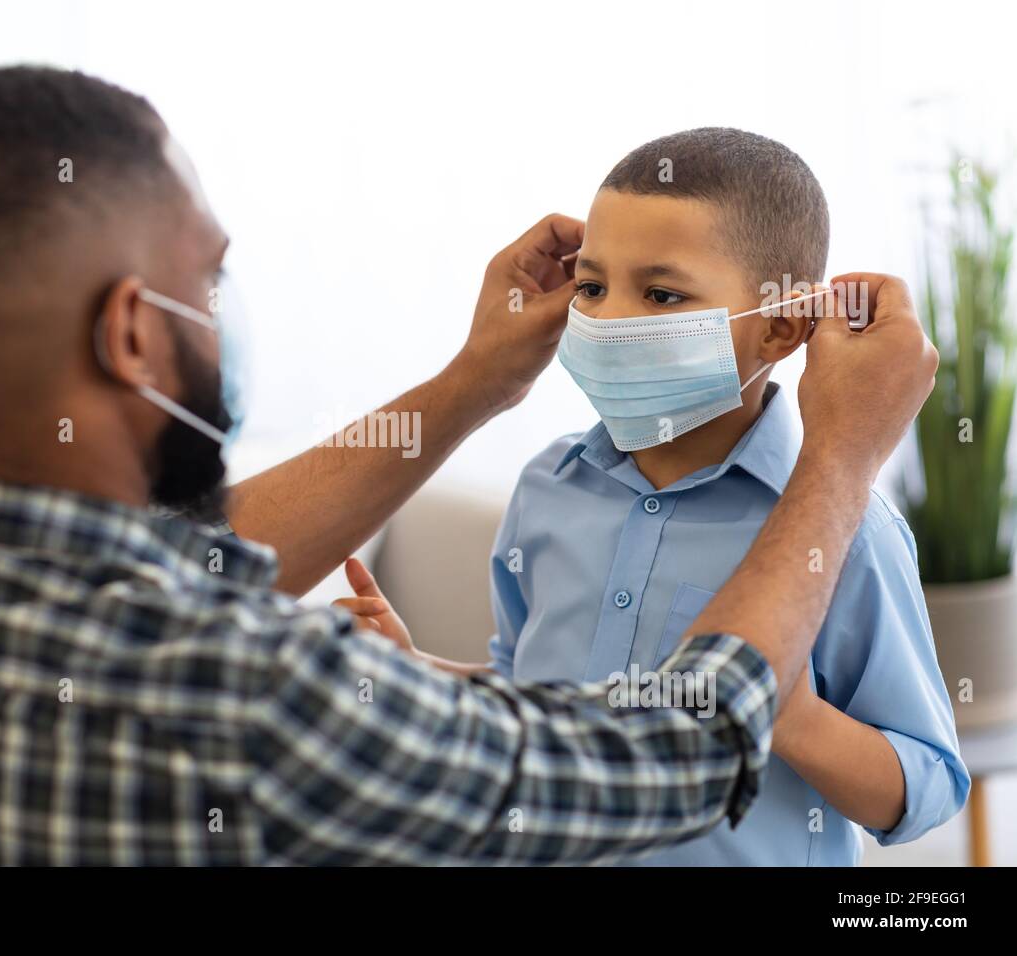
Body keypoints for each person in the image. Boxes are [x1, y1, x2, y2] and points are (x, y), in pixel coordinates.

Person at [0, 67, 939, 865]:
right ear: (133, 332)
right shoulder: (249, 693)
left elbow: (171, 562)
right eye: (212, 276)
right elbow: (684, 742)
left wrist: (472, 383)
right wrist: (844, 453)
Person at [352, 129, 965, 865]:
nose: (608, 320)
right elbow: (535, 693)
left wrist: (787, 712)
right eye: (591, 286)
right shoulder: (549, 487)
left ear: (779, 325)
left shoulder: (845, 527)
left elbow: (926, 784)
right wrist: (416, 670)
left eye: (662, 294)